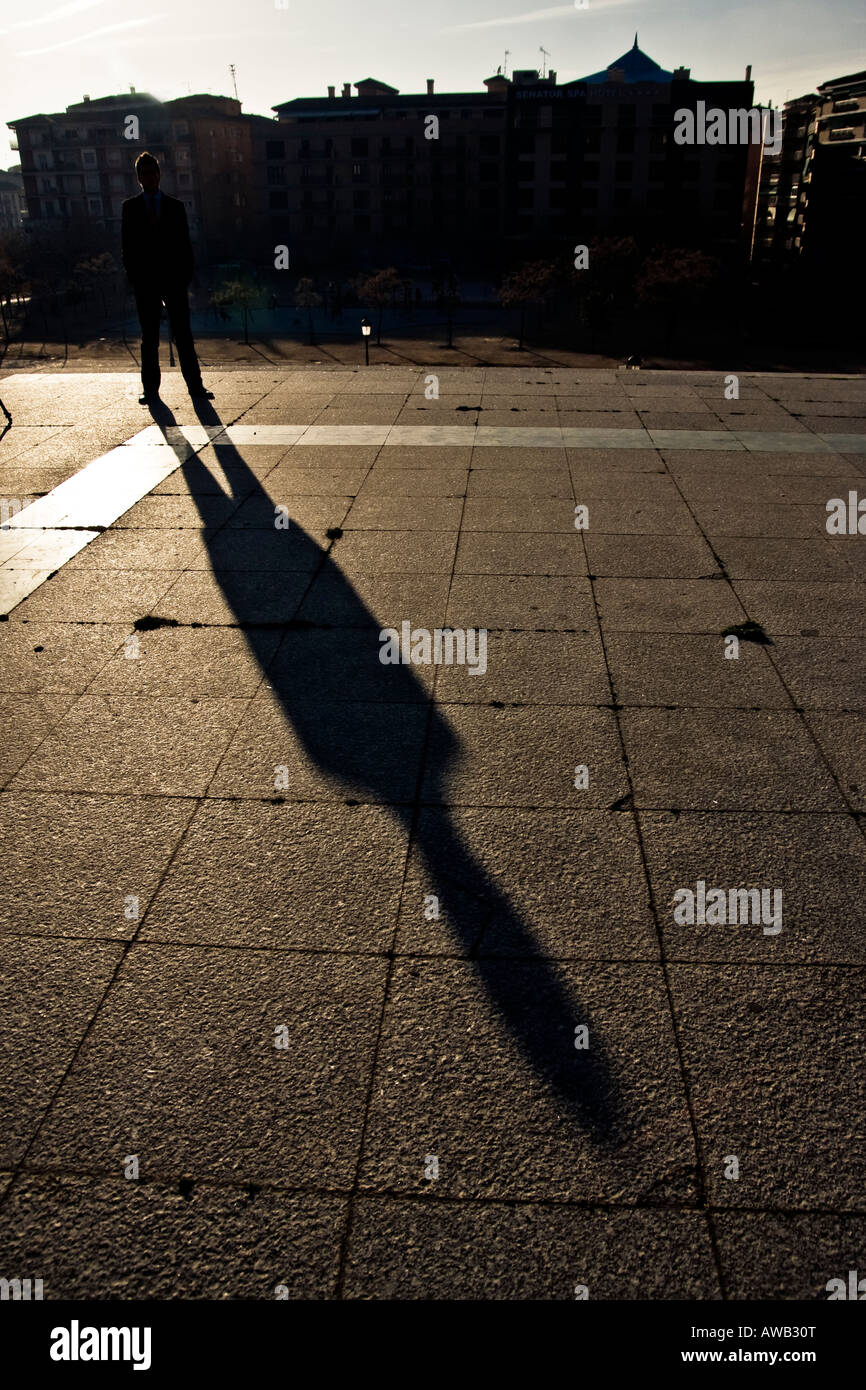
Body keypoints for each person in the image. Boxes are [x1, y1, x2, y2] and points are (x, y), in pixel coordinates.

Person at [121, 151, 213, 404]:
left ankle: (196, 387)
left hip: (174, 282)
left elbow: (185, 246)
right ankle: (150, 391)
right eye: (144, 174)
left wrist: (183, 279)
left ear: (159, 175)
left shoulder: (176, 207)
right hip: (145, 284)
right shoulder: (129, 208)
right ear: (139, 178)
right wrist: (136, 281)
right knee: (149, 340)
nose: (149, 178)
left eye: (153, 172)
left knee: (183, 336)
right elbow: (127, 248)